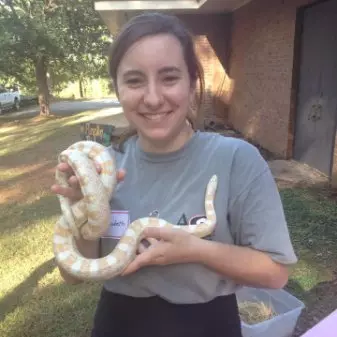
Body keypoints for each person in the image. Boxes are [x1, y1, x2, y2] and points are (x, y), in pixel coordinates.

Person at [51, 12, 298, 337]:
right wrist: (83, 213)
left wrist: (195, 249)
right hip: (117, 324)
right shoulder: (105, 168)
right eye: (135, 80)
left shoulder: (237, 160)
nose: (153, 98)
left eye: (169, 78)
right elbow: (73, 275)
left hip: (208, 325)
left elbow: (276, 274)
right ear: (117, 88)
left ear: (192, 82)